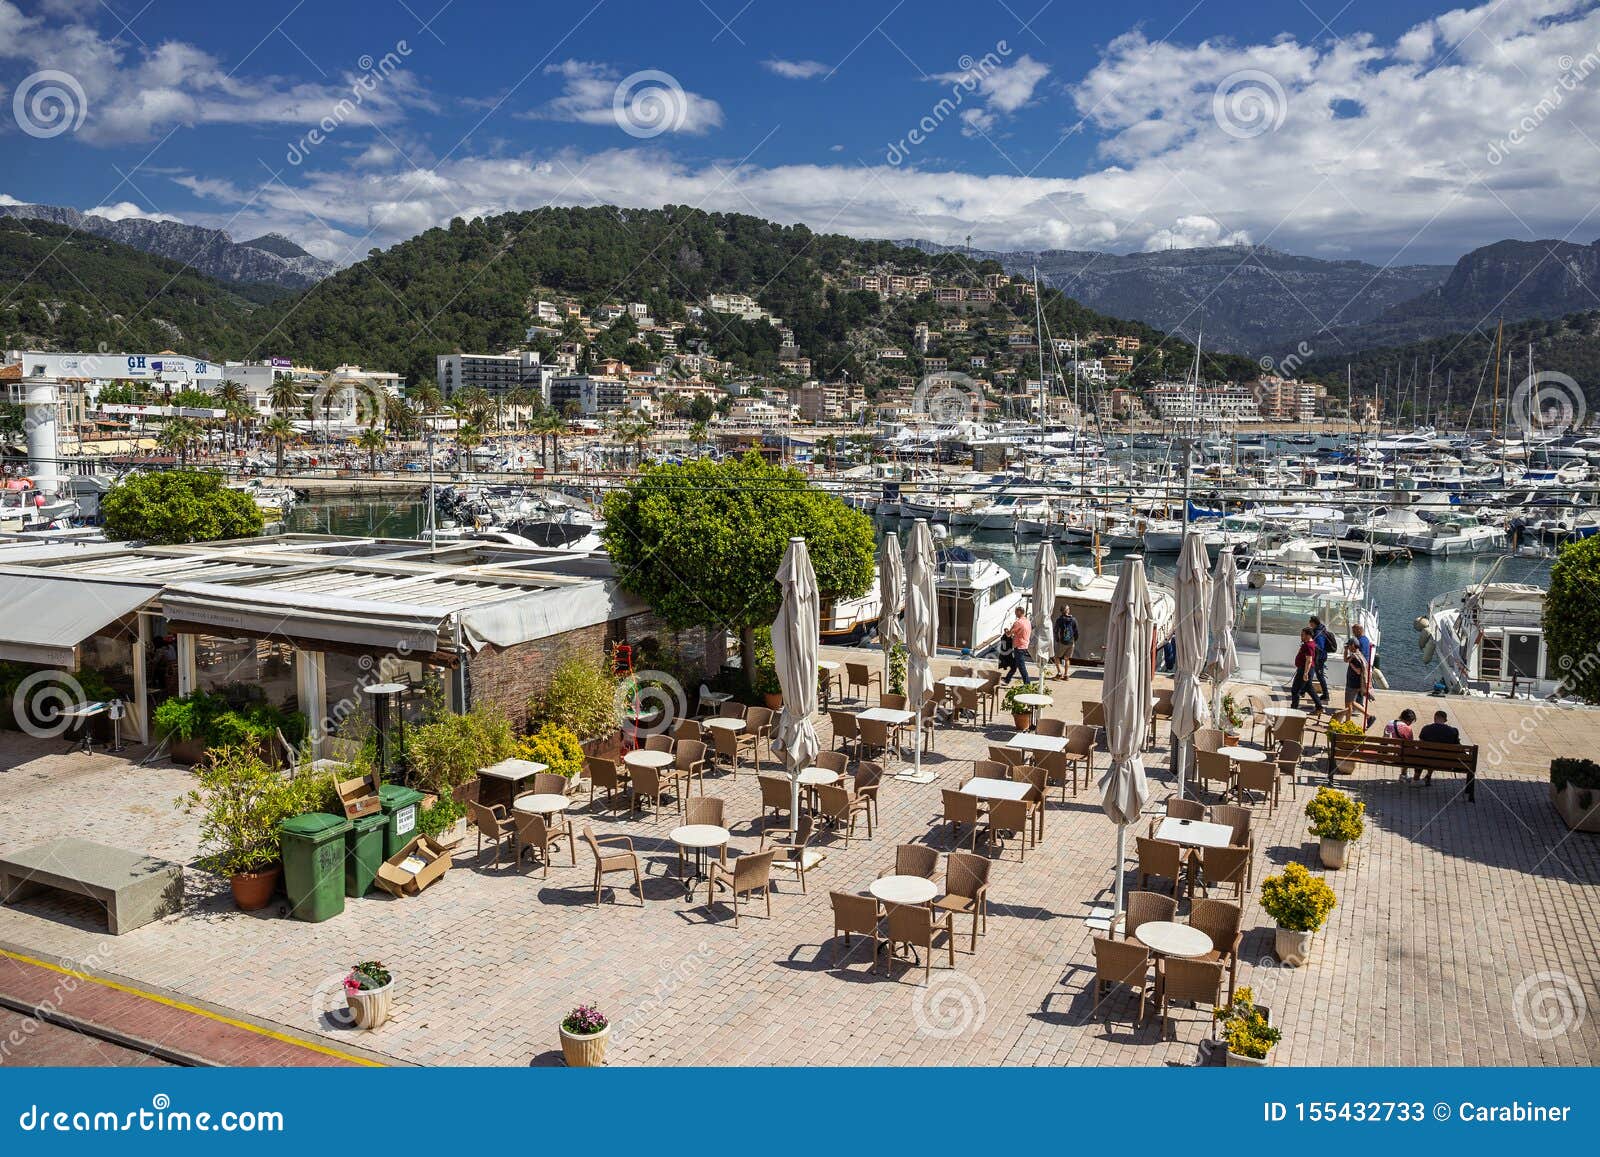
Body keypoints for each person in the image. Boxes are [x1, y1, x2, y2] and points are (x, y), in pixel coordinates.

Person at [1413, 709, 1461, 785]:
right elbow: (1458, 747)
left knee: (1424, 753)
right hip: (1444, 761)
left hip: (1425, 758)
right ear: (1445, 720)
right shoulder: (1453, 731)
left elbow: (1420, 744)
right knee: (1435, 755)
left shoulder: (1426, 728)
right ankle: (1428, 776)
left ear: (1434, 718)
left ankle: (1416, 777)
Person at [1290, 627, 1324, 713]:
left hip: (1304, 670)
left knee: (1295, 690)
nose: (1301, 636)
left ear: (1308, 635)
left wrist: (1305, 673)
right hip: (1306, 669)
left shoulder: (1308, 645)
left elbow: (1309, 660)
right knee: (1309, 688)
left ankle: (1293, 710)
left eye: (1303, 635)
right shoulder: (1309, 644)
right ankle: (1319, 707)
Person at [1002, 604, 1032, 685]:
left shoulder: (1018, 622)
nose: (1015, 614)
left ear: (1019, 612)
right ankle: (1007, 679)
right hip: (1025, 645)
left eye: (1016, 612)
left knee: (1021, 667)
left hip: (1019, 647)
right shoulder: (1028, 621)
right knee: (1014, 665)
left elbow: (1008, 634)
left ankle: (1027, 684)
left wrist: (1006, 630)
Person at [1342, 641, 1371, 727]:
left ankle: (1347, 723)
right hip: (1353, 683)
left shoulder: (1355, 657)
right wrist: (1345, 651)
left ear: (1353, 645)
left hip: (1353, 684)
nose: (1348, 647)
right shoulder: (1355, 654)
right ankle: (1369, 716)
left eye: (1349, 645)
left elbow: (1358, 671)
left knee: (1348, 704)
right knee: (1352, 702)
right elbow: (1345, 660)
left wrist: (1351, 665)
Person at [1308, 615, 1332, 699]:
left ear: (1314, 623)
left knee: (1319, 676)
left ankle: (1326, 694)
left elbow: (1320, 647)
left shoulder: (1318, 633)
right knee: (1311, 674)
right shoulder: (1319, 630)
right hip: (1318, 657)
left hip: (1319, 658)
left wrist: (1310, 644)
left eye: (1310, 622)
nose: (1309, 623)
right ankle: (1302, 691)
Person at [1053, 604, 1078, 680]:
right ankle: (1066, 675)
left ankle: (1059, 673)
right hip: (1071, 642)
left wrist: (1057, 639)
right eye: (1068, 608)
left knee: (1056, 657)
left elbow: (1056, 630)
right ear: (1067, 610)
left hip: (1062, 642)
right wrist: (1074, 640)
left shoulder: (1059, 619)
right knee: (1067, 658)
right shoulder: (1073, 619)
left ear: (1061, 611)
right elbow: (1076, 632)